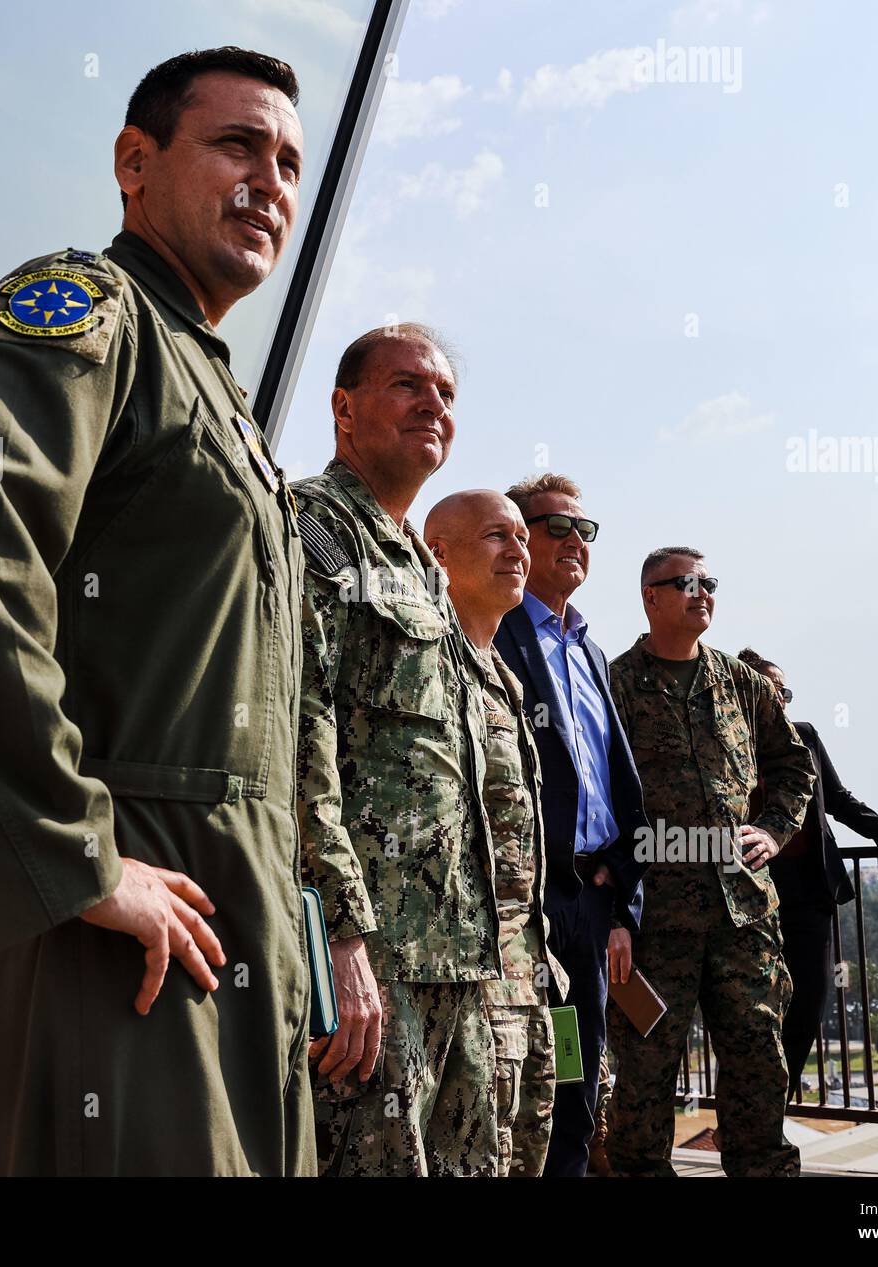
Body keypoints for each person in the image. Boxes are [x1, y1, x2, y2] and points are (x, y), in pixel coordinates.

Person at [0, 47, 314, 1176]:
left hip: (224, 932)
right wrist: (75, 853)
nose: (271, 182)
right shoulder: (93, 312)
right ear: (134, 163)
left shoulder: (220, 392)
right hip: (112, 944)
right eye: (237, 145)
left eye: (291, 162)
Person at [292, 324, 502, 1177]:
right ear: (344, 409)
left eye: (446, 393)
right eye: (408, 385)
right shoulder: (315, 525)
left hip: (455, 951)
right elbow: (300, 731)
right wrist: (339, 936)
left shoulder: (422, 564)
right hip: (374, 958)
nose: (433, 404)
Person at [603, 547, 815, 1177]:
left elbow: (792, 764)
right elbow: (593, 792)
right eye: (684, 583)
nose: (701, 593)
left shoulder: (741, 683)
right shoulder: (615, 684)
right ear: (650, 597)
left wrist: (774, 831)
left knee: (758, 1064)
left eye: (708, 583)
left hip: (743, 915)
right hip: (652, 921)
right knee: (643, 1078)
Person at [494, 473, 650, 1177]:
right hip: (531, 902)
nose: (575, 541)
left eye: (585, 530)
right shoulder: (495, 631)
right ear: (521, 536)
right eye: (558, 526)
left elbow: (615, 784)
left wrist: (621, 905)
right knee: (539, 1088)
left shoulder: (588, 648)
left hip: (591, 903)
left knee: (578, 1083)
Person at [424, 488, 570, 1176]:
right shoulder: (427, 663)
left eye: (520, 537)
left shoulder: (504, 675)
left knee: (530, 1152)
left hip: (529, 973)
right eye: (495, 537)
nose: (518, 551)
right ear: (437, 553)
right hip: (467, 985)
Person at [736, 647, 878, 1101]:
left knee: (808, 1003)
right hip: (751, 895)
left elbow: (839, 801)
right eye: (771, 690)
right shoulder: (728, 745)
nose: (781, 699)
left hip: (810, 890)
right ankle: (745, 1108)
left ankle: (771, 1106)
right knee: (753, 1009)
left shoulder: (805, 738)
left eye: (785, 691)